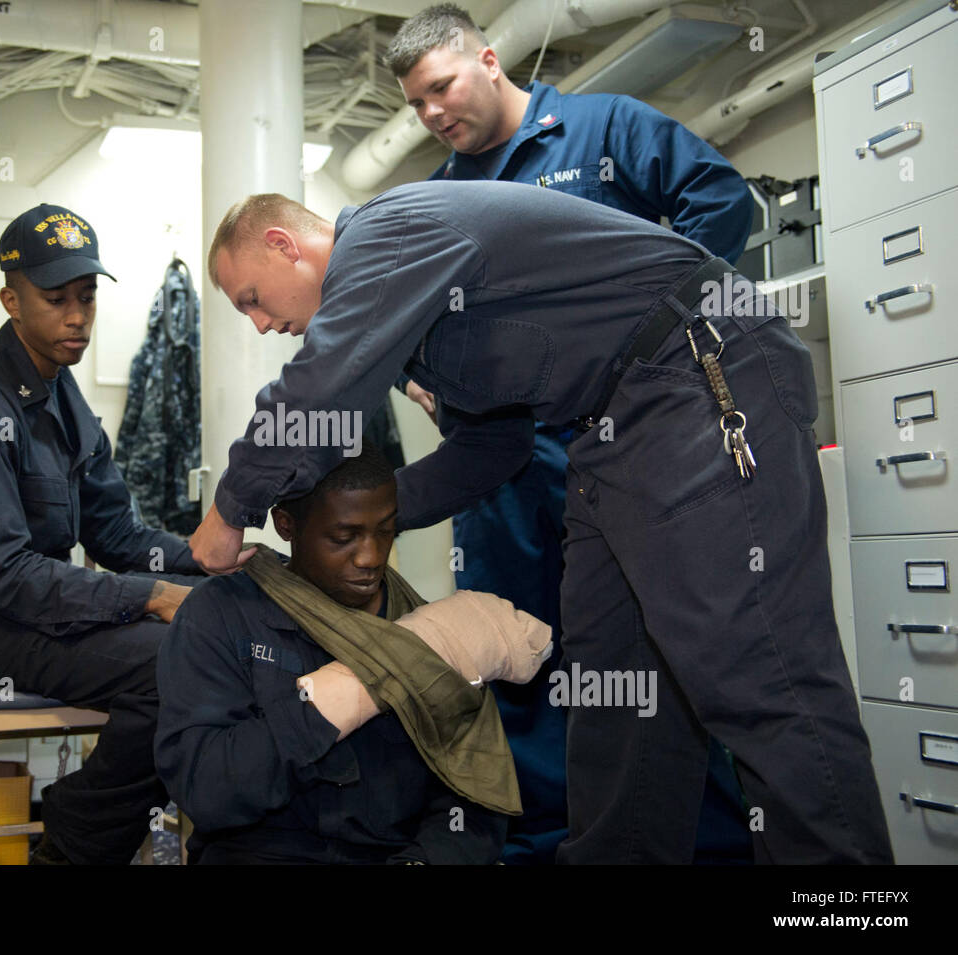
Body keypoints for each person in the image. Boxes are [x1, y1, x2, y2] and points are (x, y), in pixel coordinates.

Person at [190, 182, 894, 864]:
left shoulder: (386, 231)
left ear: (283, 244)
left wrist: (229, 513)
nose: (258, 323)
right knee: (619, 692)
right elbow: (493, 447)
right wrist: (351, 521)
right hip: (611, 430)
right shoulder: (421, 320)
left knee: (760, 674)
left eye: (250, 299)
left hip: (695, 375)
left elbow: (316, 385)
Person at [382, 3, 757, 863]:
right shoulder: (441, 198)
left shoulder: (602, 128)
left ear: (485, 58)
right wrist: (424, 381)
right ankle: (545, 839)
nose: (435, 113)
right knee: (518, 650)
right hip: (507, 461)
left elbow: (720, 199)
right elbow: (399, 324)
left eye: (442, 87)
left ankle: (714, 843)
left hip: (627, 444)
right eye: (417, 105)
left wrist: (658, 336)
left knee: (660, 650)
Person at [0, 203, 201, 864]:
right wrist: (151, 596)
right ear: (11, 299)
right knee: (173, 659)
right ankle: (73, 842)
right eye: (55, 298)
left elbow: (117, 533)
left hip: (33, 602)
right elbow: (4, 575)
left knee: (223, 627)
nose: (77, 316)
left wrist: (207, 560)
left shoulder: (63, 395)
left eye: (87, 297)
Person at [155, 442, 513, 864]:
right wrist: (331, 703)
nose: (371, 557)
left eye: (386, 530)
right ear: (286, 525)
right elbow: (207, 790)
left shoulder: (425, 631)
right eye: (344, 537)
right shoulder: (222, 616)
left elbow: (473, 794)